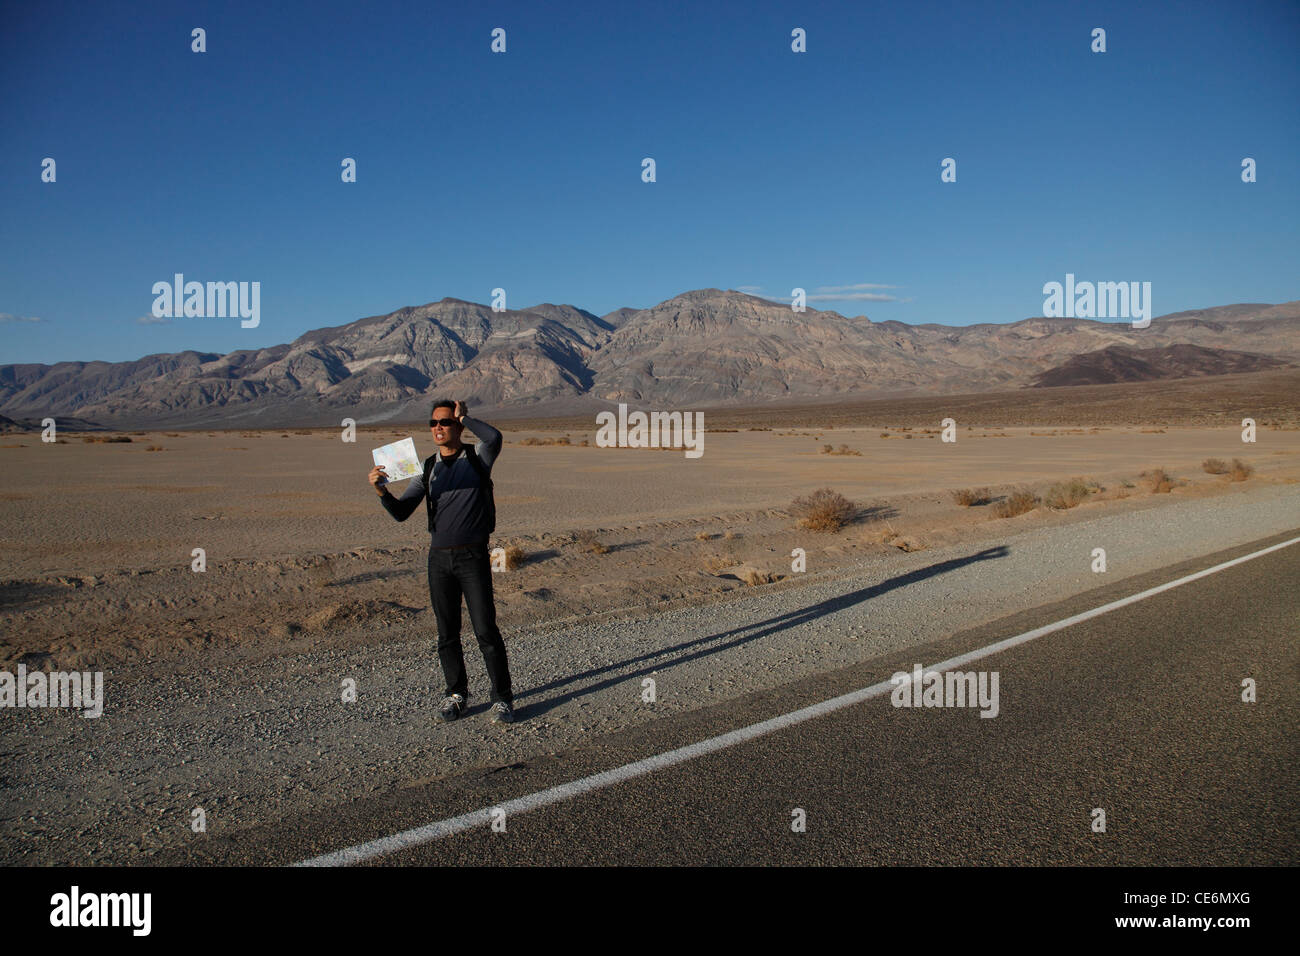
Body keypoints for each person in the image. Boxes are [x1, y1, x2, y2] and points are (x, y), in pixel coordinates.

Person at [368, 399, 515, 724]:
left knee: (485, 630)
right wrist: (382, 493)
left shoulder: (478, 458)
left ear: (458, 427)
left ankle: (502, 698)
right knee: (446, 633)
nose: (438, 427)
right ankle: (456, 694)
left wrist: (465, 415)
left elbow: (494, 438)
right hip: (439, 561)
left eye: (446, 422)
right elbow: (402, 512)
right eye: (433, 423)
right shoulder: (428, 469)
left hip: (473, 557)